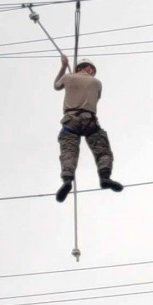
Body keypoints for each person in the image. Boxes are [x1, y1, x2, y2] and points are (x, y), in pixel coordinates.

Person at [52, 55, 120, 201]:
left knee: (68, 151)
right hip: (89, 121)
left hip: (70, 121)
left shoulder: (68, 78)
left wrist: (64, 67)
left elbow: (56, 85)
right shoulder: (97, 83)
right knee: (102, 150)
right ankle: (105, 177)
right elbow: (96, 98)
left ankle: (67, 180)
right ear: (88, 68)